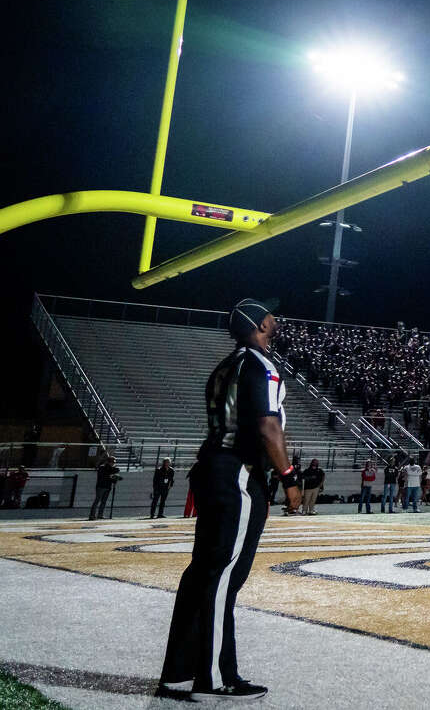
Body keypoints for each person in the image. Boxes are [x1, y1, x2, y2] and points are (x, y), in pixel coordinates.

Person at [159, 297, 300, 702]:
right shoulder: (260, 364)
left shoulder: (226, 365)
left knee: (202, 571)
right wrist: (288, 478)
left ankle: (180, 673)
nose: (276, 325)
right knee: (223, 577)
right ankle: (214, 679)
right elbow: (268, 427)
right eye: (271, 320)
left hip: (212, 468)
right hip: (237, 471)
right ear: (259, 325)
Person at [87, 454, 120, 520]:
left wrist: (115, 478)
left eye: (113, 462)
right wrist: (112, 474)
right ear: (108, 462)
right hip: (101, 486)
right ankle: (92, 515)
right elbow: (105, 476)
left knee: (103, 502)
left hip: (108, 486)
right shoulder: (102, 467)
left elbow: (113, 478)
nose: (112, 463)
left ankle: (100, 514)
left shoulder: (113, 469)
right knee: (97, 501)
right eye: (111, 462)